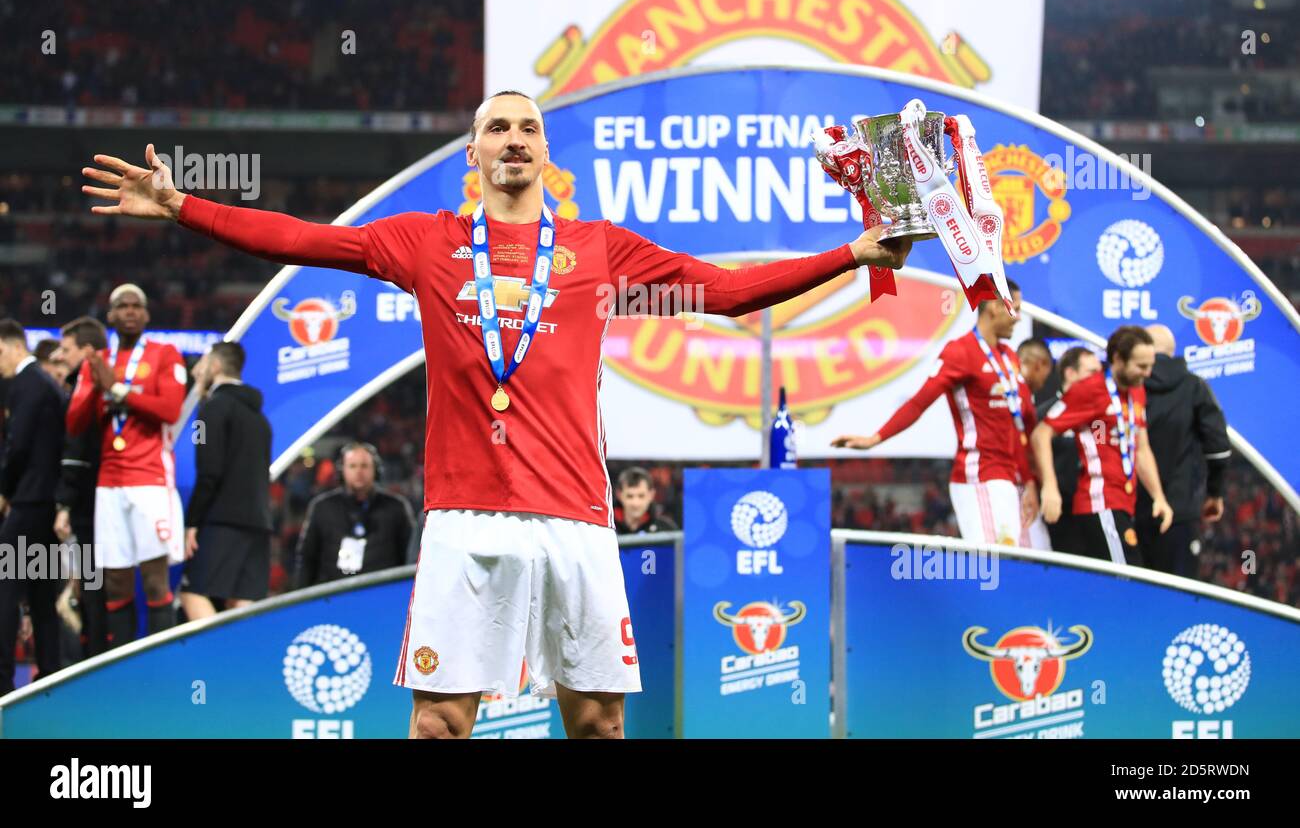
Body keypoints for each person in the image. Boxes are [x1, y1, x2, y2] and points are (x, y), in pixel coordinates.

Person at [79, 89, 910, 739]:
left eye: (528, 128)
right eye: (497, 127)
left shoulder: (599, 252)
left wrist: (853, 253)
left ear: (546, 153)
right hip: (464, 520)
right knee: (440, 723)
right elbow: (300, 241)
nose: (514, 138)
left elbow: (727, 294)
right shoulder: (426, 242)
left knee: (600, 723)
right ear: (473, 152)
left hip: (576, 519)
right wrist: (185, 206)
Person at [832, 281, 1044, 549]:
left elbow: (1019, 427)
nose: (1019, 317)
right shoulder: (961, 352)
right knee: (997, 568)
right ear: (993, 307)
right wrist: (876, 438)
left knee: (1018, 567)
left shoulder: (1009, 358)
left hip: (1010, 481)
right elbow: (920, 402)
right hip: (980, 477)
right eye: (1014, 308)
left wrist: (1028, 482)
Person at [65, 284, 186, 646]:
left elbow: (170, 410)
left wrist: (117, 390)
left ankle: (161, 667)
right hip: (109, 482)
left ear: (147, 315)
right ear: (111, 315)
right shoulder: (98, 360)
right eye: (122, 306)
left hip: (149, 479)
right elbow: (74, 423)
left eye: (137, 306)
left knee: (153, 578)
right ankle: (125, 672)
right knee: (115, 581)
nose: (130, 311)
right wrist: (93, 386)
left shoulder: (166, 354)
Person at [1032, 326, 1174, 565]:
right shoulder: (1090, 390)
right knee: (1126, 581)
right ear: (1118, 359)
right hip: (1100, 503)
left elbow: (1141, 448)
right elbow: (1041, 434)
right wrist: (1050, 487)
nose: (1148, 373)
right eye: (1141, 366)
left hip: (1125, 503)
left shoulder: (1137, 392)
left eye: (1150, 366)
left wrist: (1159, 496)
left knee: (1118, 584)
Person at [180, 341, 274, 621]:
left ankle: (212, 664)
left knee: (192, 592)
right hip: (258, 521)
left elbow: (209, 471)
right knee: (240, 602)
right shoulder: (260, 418)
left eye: (203, 363)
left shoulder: (212, 410)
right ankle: (244, 664)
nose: (197, 370)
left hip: (222, 520)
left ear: (216, 366)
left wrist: (193, 522)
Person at [1134, 324, 1231, 578]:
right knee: (1178, 596)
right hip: (1179, 510)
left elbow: (1101, 437)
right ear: (1172, 351)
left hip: (1129, 509)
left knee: (1130, 594)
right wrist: (1214, 493)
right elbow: (1219, 447)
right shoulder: (1194, 387)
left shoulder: (1128, 386)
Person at [0, 320, 66, 694]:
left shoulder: (25, 385)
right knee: (41, 593)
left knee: (5, 589)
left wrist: (3, 490)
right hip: (45, 503)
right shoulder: (47, 384)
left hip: (25, 502)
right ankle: (52, 678)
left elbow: (18, 446)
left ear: (5, 348)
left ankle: (3, 682)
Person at [52, 316, 111, 657]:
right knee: (94, 582)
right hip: (100, 497)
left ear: (87, 350)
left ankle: (92, 659)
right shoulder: (98, 384)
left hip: (88, 504)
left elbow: (76, 451)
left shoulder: (86, 387)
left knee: (91, 582)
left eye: (67, 349)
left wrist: (64, 504)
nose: (61, 356)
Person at [294, 442, 415, 588]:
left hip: (382, 595)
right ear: (342, 470)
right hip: (332, 597)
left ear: (375, 470)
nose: (359, 471)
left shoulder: (396, 507)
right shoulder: (321, 507)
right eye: (352, 466)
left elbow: (410, 557)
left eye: (364, 466)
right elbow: (307, 558)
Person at [1035, 346, 1102, 555]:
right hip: (1058, 512)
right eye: (1092, 372)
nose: (1098, 379)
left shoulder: (1101, 416)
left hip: (1096, 508)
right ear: (1070, 373)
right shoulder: (1044, 415)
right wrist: (1049, 488)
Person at [613, 467, 678, 534]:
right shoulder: (607, 529)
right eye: (630, 496)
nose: (635, 503)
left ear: (651, 495)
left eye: (641, 496)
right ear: (619, 495)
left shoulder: (666, 530)